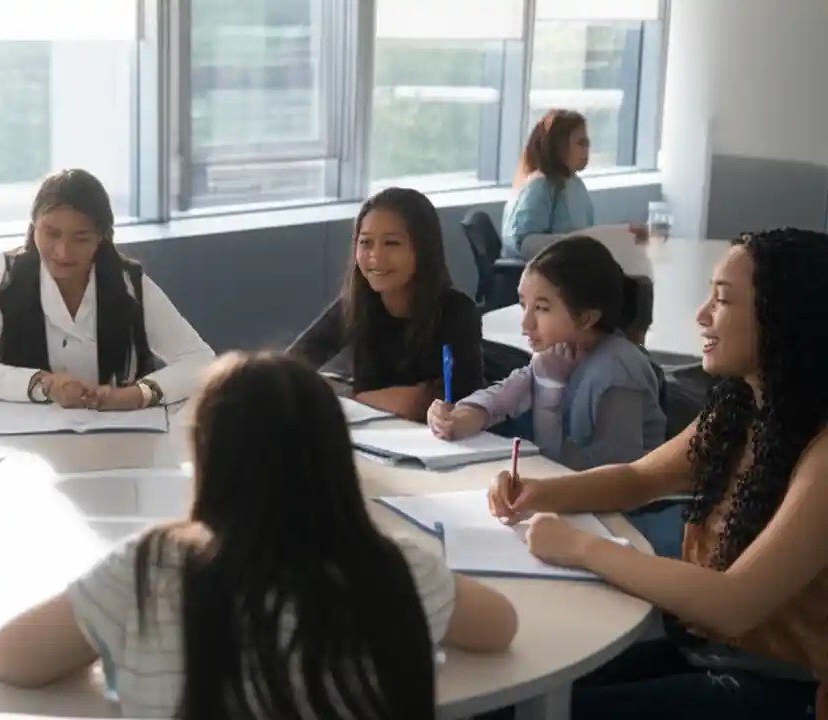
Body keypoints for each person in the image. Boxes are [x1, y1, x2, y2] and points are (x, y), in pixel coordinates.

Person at [0, 353, 518, 718]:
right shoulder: (392, 569)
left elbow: (11, 657)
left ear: (208, 461)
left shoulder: (148, 569)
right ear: (334, 459)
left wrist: (124, 653)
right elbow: (500, 626)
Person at [489, 229, 828, 718]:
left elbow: (734, 603)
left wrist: (580, 546)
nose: (702, 315)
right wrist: (538, 492)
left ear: (785, 320)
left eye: (723, 300)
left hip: (781, 686)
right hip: (703, 649)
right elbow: (638, 478)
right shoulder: (743, 407)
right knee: (518, 687)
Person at [431, 237, 672, 554]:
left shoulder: (617, 372)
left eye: (542, 308)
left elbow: (609, 477)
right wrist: (466, 415)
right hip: (572, 504)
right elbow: (507, 393)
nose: (526, 322)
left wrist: (550, 391)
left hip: (625, 523)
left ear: (586, 318)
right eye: (523, 304)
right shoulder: (560, 353)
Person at [0, 169, 214, 409]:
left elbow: (200, 361)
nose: (62, 252)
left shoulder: (128, 282)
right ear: (33, 226)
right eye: (51, 233)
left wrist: (138, 395)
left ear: (101, 238)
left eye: (80, 238)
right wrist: (43, 384)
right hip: (21, 444)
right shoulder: (2, 276)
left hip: (116, 441)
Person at [288, 187, 482, 421]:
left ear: (423, 250)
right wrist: (361, 397)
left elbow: (440, 402)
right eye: (366, 242)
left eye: (391, 243)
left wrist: (349, 395)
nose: (376, 256)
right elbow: (292, 364)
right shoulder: (357, 302)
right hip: (375, 441)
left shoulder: (457, 312)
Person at [501, 109, 647, 260]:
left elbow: (587, 237)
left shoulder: (574, 184)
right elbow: (525, 245)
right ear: (559, 146)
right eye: (581, 143)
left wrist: (622, 234)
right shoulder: (539, 186)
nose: (587, 150)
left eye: (587, 143)